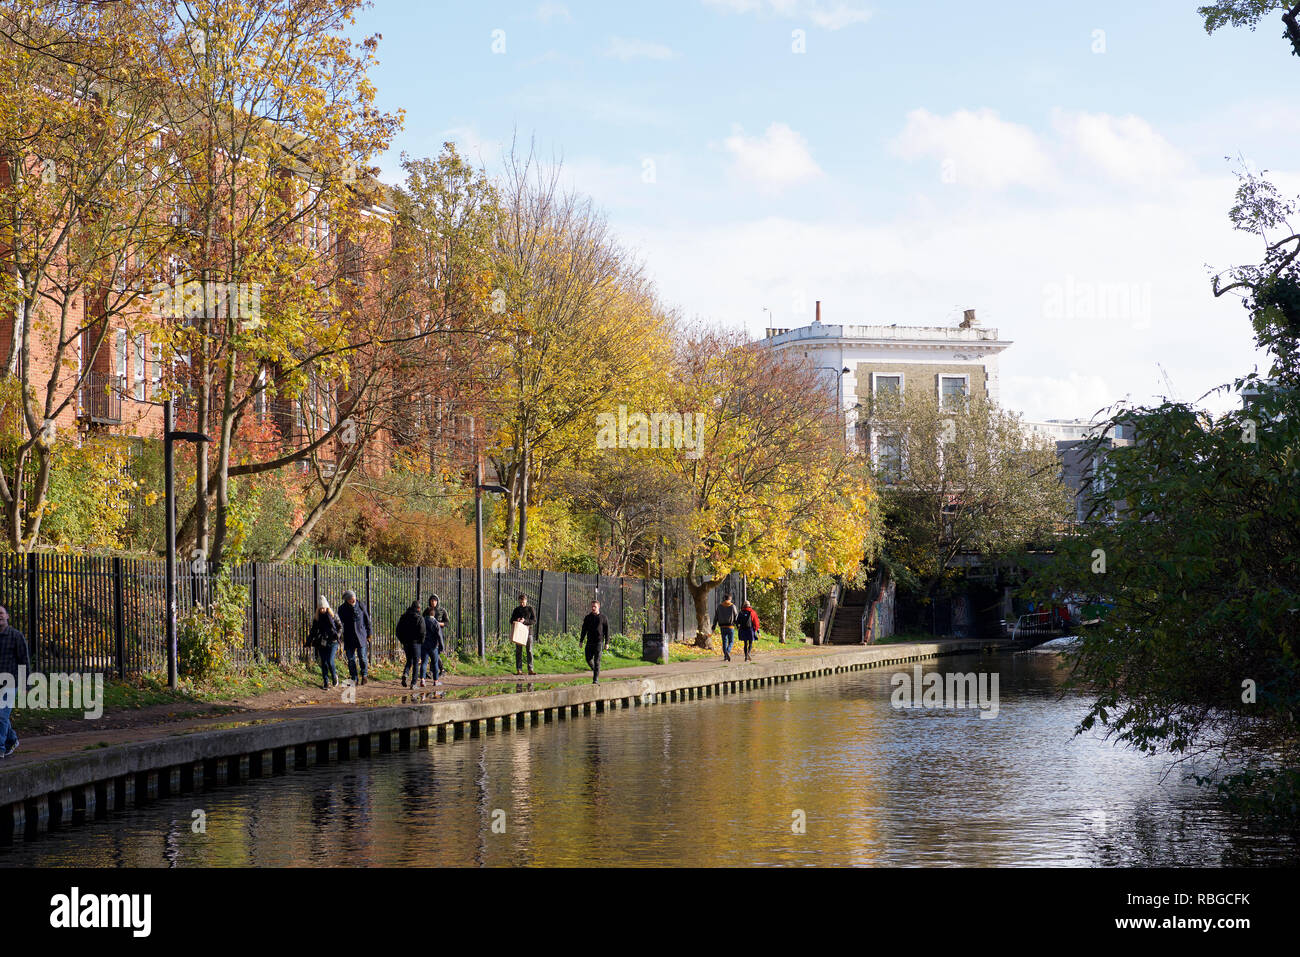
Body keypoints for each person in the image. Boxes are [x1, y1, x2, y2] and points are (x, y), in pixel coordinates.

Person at [0, 605, 28, 760]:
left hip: (11, 682)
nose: (0, 616)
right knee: (2, 715)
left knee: (1, 715)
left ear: (7, 616)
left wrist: (25, 684)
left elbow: (24, 660)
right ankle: (12, 740)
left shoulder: (16, 636)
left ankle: (1, 748)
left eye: (1, 613)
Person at [338, 589, 373, 686]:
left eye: (354, 598)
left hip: (361, 636)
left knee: (362, 657)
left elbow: (367, 621)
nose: (353, 600)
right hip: (349, 637)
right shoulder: (342, 609)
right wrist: (339, 636)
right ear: (347, 600)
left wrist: (369, 633)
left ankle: (364, 675)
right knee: (351, 659)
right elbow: (340, 623)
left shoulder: (361, 606)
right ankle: (354, 678)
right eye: (351, 599)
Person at [307, 597, 342, 690]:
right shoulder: (317, 618)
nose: (322, 610)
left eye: (324, 608)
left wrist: (337, 635)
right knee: (324, 663)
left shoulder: (333, 616)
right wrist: (309, 641)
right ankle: (326, 682)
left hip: (333, 641)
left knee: (330, 661)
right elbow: (313, 631)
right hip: (321, 642)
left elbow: (340, 627)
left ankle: (334, 676)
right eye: (320, 608)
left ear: (327, 607)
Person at [580, 599, 610, 684]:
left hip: (599, 642)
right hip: (589, 642)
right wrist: (581, 641)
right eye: (592, 606)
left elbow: (607, 631)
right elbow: (584, 629)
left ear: (598, 607)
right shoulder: (588, 617)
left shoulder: (603, 618)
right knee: (588, 659)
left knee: (597, 661)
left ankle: (595, 679)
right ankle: (596, 670)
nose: (593, 608)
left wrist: (607, 643)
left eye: (595, 607)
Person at [397, 601, 424, 688]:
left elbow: (398, 630)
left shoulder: (404, 617)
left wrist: (402, 640)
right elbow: (422, 631)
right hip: (416, 643)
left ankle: (406, 673)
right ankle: (413, 683)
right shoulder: (419, 618)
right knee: (416, 662)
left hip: (406, 642)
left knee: (409, 660)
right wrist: (421, 641)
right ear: (419, 608)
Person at [509, 593, 537, 676]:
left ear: (526, 601)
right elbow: (511, 620)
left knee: (529, 650)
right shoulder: (516, 610)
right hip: (518, 632)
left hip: (528, 632)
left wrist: (524, 621)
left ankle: (530, 669)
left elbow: (534, 621)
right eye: (520, 602)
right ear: (518, 601)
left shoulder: (530, 609)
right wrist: (517, 620)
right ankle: (519, 669)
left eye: (523, 602)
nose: (522, 604)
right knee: (518, 651)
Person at [421, 603, 445, 687]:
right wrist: (442, 646)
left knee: (424, 662)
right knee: (434, 663)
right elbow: (439, 635)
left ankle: (422, 680)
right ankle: (435, 681)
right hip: (433, 646)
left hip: (424, 645)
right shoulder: (435, 622)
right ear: (433, 614)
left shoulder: (422, 621)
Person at [713, 593, 739, 662]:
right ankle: (728, 651)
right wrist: (737, 625)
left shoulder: (719, 606)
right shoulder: (732, 606)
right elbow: (736, 616)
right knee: (731, 641)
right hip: (730, 626)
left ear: (724, 599)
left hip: (722, 626)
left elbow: (716, 617)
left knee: (724, 641)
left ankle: (725, 656)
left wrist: (713, 627)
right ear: (730, 599)